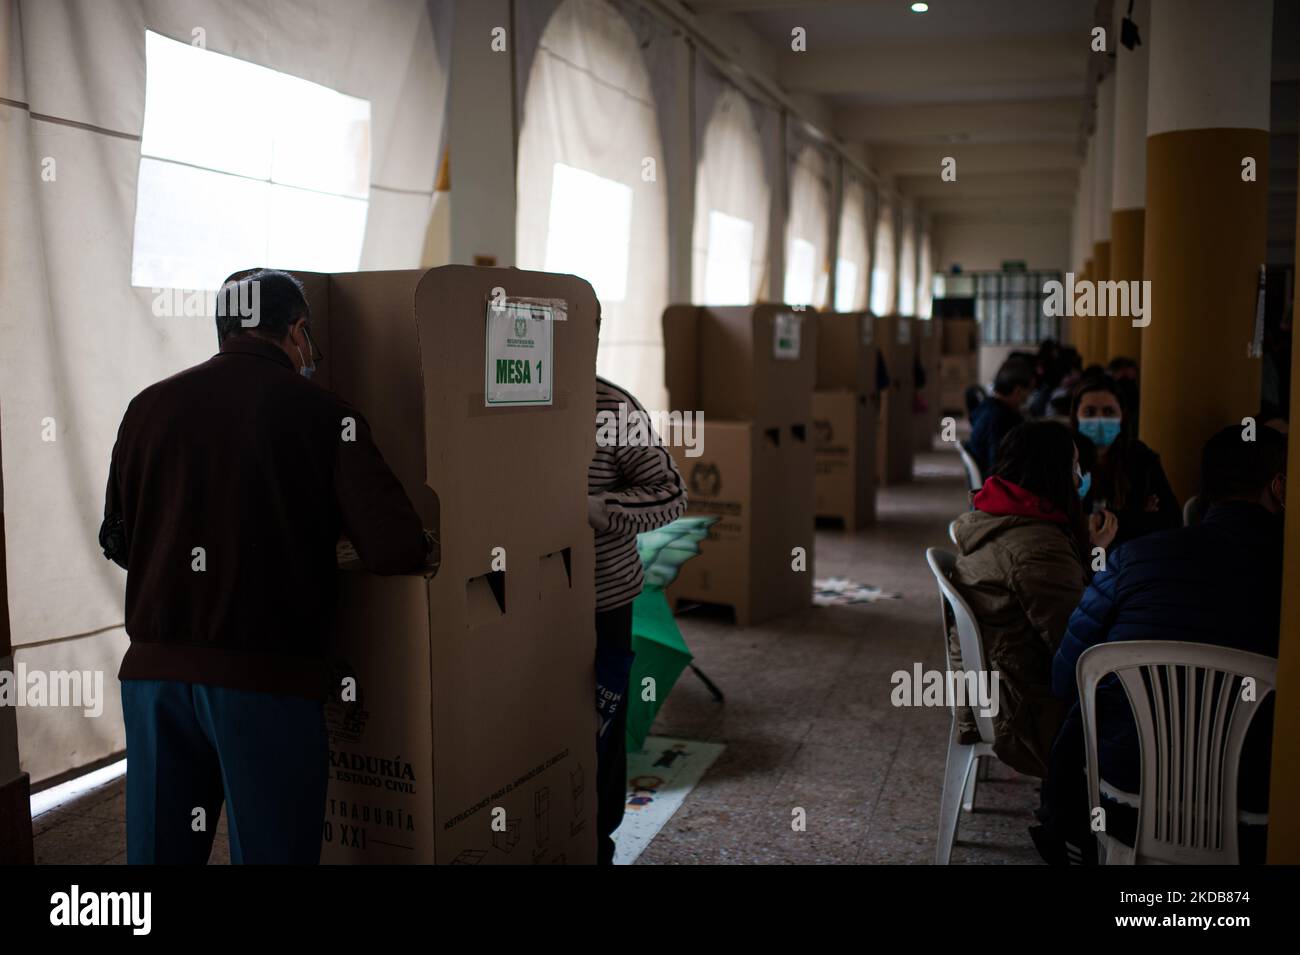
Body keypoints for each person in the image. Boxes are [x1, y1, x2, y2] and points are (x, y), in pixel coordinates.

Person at [99, 269, 433, 864]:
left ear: (225, 329)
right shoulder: (328, 414)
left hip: (153, 678)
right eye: (310, 343)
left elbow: (121, 542)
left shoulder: (146, 406)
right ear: (298, 332)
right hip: (265, 681)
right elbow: (396, 548)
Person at [1035, 424, 1287, 864]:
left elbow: (1064, 675)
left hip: (1127, 798)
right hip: (1264, 811)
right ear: (1280, 487)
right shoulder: (1288, 574)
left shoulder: (1135, 557)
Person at [948, 421, 1117, 777]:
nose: (1079, 477)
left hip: (998, 693)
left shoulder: (996, 518)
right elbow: (1075, 647)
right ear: (1053, 473)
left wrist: (1089, 553)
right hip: (1027, 715)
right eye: (1073, 467)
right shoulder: (1038, 549)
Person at [588, 376, 687, 865]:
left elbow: (671, 494)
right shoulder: (483, 395)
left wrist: (602, 509)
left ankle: (599, 844)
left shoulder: (610, 404)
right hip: (516, 600)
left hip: (602, 598)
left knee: (600, 728)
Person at [1071, 376, 1179, 547]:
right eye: (1090, 412)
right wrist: (1138, 515)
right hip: (1084, 560)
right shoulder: (1064, 458)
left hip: (1132, 559)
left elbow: (1170, 520)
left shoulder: (1141, 457)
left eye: (1108, 412)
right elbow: (1065, 522)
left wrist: (1099, 520)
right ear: (1076, 416)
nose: (1100, 419)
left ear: (1122, 415)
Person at [964, 358, 1032, 477]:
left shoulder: (986, 408)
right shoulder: (1000, 419)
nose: (1029, 397)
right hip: (998, 485)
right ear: (1018, 391)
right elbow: (999, 466)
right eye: (1029, 391)